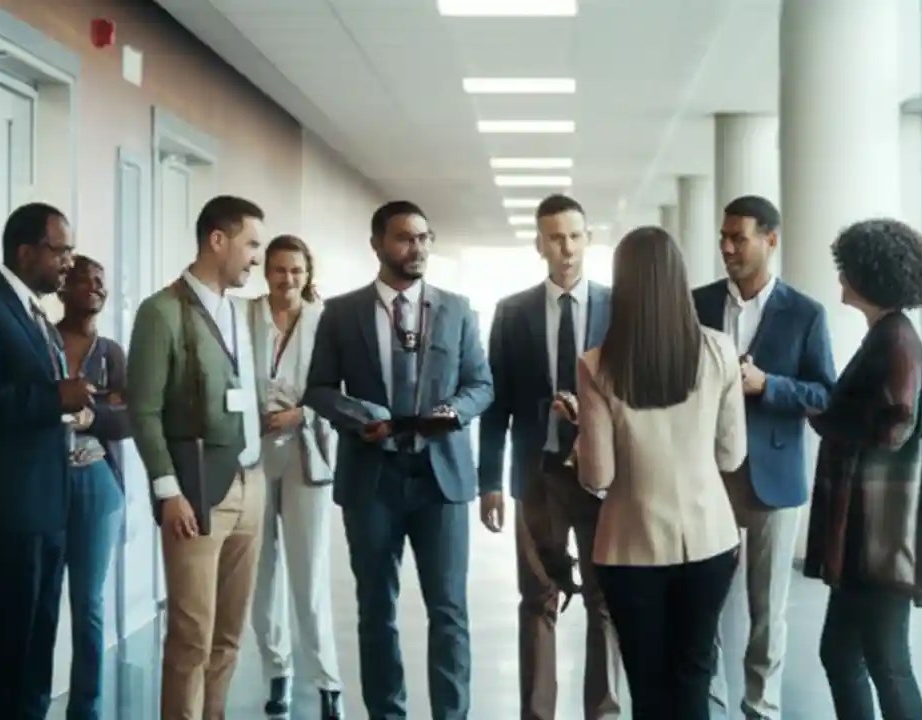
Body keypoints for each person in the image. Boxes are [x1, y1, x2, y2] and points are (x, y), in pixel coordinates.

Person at [304, 200, 493, 720]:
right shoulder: (341, 314)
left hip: (442, 479)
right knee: (376, 610)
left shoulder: (457, 309)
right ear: (378, 245)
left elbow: (482, 384)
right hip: (372, 478)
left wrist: (453, 411)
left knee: (449, 611)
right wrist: (355, 412)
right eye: (406, 238)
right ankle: (387, 713)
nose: (418, 249)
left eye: (425, 238)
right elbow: (317, 388)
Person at [576, 225, 747, 720]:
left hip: (629, 544)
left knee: (647, 686)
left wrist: (582, 441)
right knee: (695, 673)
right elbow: (731, 456)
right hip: (708, 539)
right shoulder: (719, 352)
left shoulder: (596, 365)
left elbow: (599, 474)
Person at [0, 202, 93, 719]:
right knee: (3, 650)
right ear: (26, 251)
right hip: (7, 510)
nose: (69, 264)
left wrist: (70, 406)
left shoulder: (36, 315)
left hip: (45, 508)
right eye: (61, 251)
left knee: (36, 646)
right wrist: (56, 399)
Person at [692, 195, 836, 720]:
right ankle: (707, 705)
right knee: (702, 602)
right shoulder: (697, 304)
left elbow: (824, 395)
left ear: (770, 239)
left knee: (767, 610)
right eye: (723, 237)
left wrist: (767, 385)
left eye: (739, 237)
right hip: (706, 477)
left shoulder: (805, 313)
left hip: (775, 478)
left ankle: (761, 708)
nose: (727, 247)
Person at [478, 193, 621, 720]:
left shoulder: (617, 307)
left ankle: (602, 711)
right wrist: (488, 479)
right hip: (534, 474)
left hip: (600, 478)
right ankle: (537, 714)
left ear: (587, 239)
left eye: (575, 236)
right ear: (539, 244)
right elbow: (495, 406)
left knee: (605, 600)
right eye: (555, 237)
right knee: (536, 597)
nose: (566, 248)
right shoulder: (512, 312)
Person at [127, 195, 267, 720]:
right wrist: (168, 490)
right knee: (192, 634)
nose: (256, 256)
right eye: (250, 244)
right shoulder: (161, 312)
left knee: (229, 635)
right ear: (218, 240)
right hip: (196, 492)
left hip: (250, 485)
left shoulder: (236, 311)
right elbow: (143, 411)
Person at [805, 218, 922, 720]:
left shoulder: (896, 340)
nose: (840, 280)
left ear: (868, 274)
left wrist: (827, 415)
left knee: (887, 662)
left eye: (845, 270)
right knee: (840, 654)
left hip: (881, 534)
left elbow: (894, 426)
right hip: (872, 532)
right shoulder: (888, 334)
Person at [247, 234, 342, 719]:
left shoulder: (324, 322)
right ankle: (277, 673)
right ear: (266, 270)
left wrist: (301, 414)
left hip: (307, 453)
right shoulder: (246, 317)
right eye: (280, 269)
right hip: (255, 455)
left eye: (297, 272)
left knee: (309, 575)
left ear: (308, 275)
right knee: (262, 576)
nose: (288, 279)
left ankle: (327, 682)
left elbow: (338, 390)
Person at [55, 255, 130, 720]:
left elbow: (126, 420)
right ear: (64, 287)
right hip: (43, 480)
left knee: (89, 603)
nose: (97, 287)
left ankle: (86, 710)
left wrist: (90, 414)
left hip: (98, 483)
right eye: (87, 279)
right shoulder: (43, 338)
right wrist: (101, 404)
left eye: (103, 281)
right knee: (39, 596)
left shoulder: (112, 353)